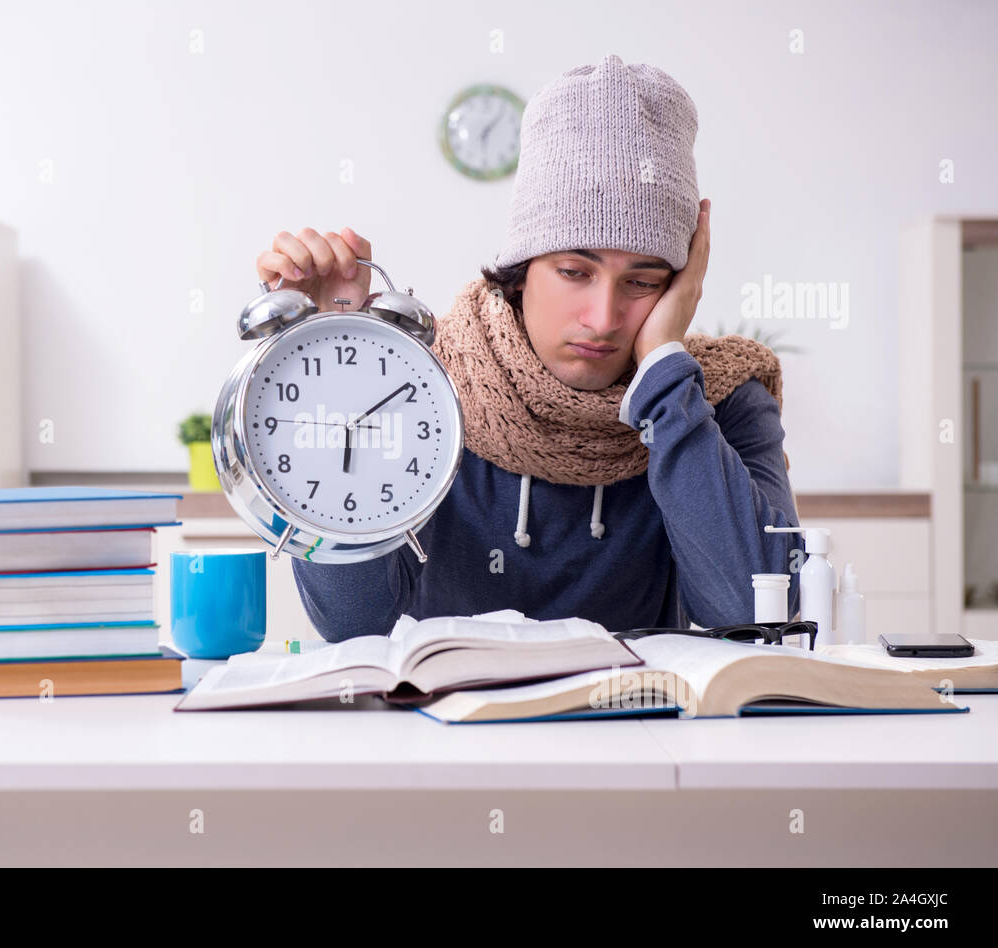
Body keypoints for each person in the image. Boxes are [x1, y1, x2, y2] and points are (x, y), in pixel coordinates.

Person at [255, 54, 802, 642]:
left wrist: (666, 373)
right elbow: (354, 625)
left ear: (680, 287)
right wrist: (338, 360)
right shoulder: (422, 382)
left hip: (638, 729)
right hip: (442, 728)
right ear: (522, 271)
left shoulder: (716, 398)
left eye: (643, 282)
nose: (603, 318)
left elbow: (753, 616)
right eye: (574, 271)